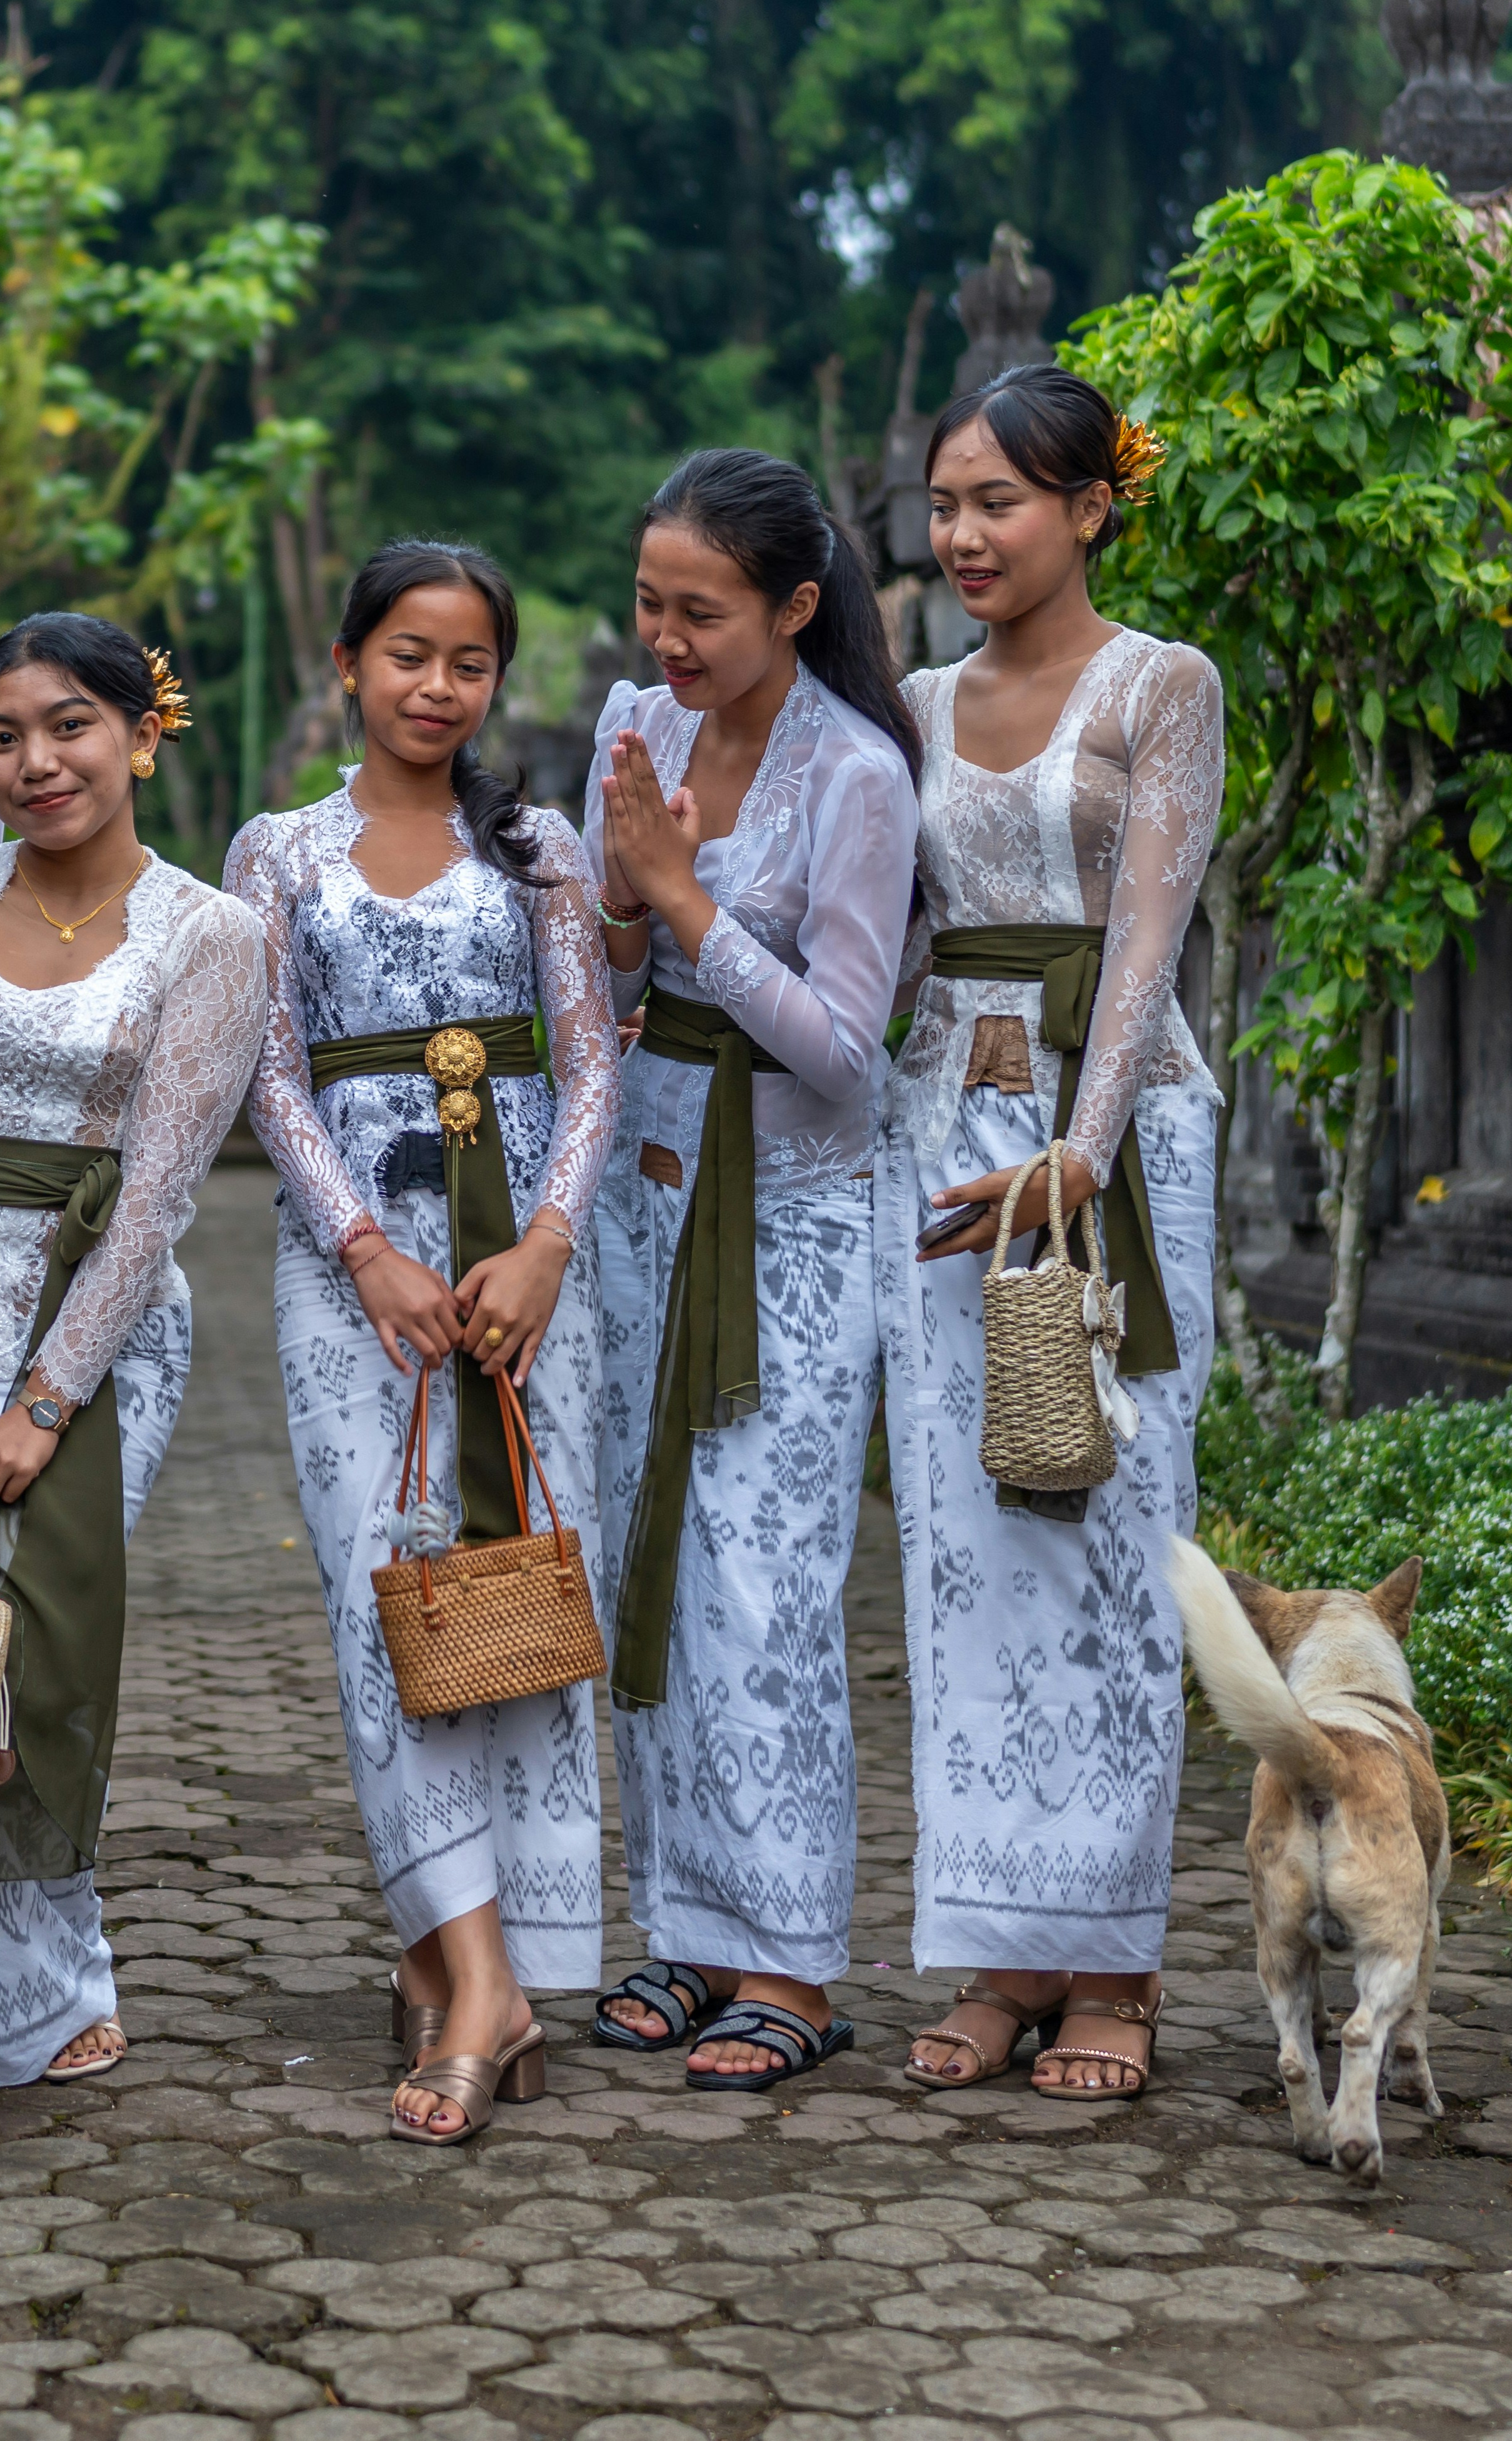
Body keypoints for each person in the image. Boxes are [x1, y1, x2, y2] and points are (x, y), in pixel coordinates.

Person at [0, 613, 268, 2093]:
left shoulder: (213, 933)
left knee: (23, 1650)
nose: (36, 761)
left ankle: (40, 1987)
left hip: (88, 1343)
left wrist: (40, 1406)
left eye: (71, 724)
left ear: (146, 732)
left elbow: (154, 1201)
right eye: (2, 734)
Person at [227, 542, 623, 2143]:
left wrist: (541, 1247)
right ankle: (471, 1972)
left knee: (522, 1581)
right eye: (407, 653)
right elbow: (263, 1070)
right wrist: (369, 1251)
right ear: (348, 660)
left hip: (529, 1273)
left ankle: (483, 1966)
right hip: (355, 1280)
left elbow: (593, 1062)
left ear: (494, 681)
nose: (435, 686)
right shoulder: (279, 851)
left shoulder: (539, 852)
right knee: (388, 1597)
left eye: (467, 661)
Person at [879, 365, 1226, 2103]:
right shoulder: (920, 699)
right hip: (943, 1148)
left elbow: (1152, 930)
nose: (963, 537)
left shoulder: (1164, 687)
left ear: (1092, 505)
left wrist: (1083, 1154)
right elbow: (899, 937)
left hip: (1123, 1137)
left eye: (998, 503)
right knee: (965, 1555)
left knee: (1106, 1531)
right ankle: (1000, 1953)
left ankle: (1117, 1970)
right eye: (946, 506)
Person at [580, 449, 924, 2090]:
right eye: (650, 603)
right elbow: (609, 955)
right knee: (656, 1564)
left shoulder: (858, 775)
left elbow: (850, 1052)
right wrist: (627, 918)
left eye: (701, 611)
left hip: (792, 1202)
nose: (666, 639)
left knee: (771, 1583)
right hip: (647, 1185)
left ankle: (789, 1960)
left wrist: (680, 898)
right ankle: (688, 1933)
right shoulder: (630, 733)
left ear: (796, 606)